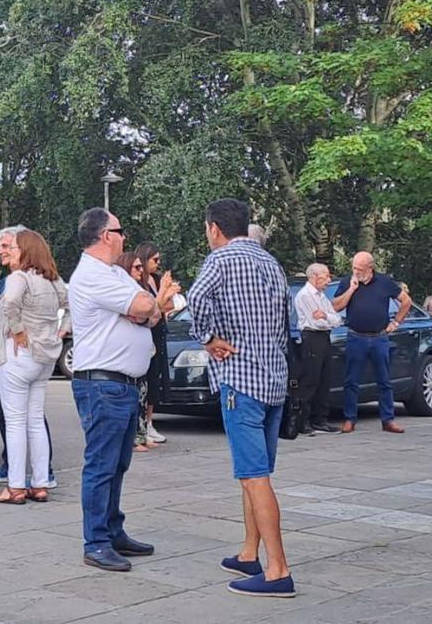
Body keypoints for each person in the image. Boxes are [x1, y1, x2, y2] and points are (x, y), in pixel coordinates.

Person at [187, 198, 296, 598]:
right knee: (257, 473)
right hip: (274, 380)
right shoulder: (270, 262)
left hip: (242, 380)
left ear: (214, 228)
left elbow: (196, 298)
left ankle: (278, 570)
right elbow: (288, 320)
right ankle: (250, 553)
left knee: (253, 476)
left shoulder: (220, 260)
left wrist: (208, 337)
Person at [67, 207, 158, 572]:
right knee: (102, 465)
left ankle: (112, 531)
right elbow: (145, 304)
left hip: (121, 385)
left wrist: (141, 310)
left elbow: (151, 312)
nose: (124, 237)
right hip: (102, 384)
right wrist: (140, 309)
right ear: (106, 235)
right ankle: (96, 542)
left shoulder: (114, 273)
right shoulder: (92, 274)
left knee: (118, 464)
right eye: (120, 231)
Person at [0, 230, 68, 505]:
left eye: (15, 247)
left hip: (18, 355)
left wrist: (18, 329)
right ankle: (40, 484)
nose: (10, 251)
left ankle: (15, 487)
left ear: (26, 250)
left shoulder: (18, 278)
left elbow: (10, 303)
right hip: (45, 357)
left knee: (15, 422)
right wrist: (62, 331)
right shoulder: (53, 280)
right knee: (34, 420)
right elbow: (72, 305)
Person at [332, 252, 412, 434]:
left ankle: (388, 420)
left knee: (384, 380)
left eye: (359, 269)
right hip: (356, 336)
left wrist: (396, 322)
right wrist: (351, 289)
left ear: (370, 268)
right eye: (354, 268)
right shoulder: (347, 281)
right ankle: (349, 419)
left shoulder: (384, 282)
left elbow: (406, 301)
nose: (356, 271)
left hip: (379, 337)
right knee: (351, 380)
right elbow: (336, 306)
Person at [135, 242, 182, 446]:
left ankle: (150, 422)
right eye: (154, 259)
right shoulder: (139, 283)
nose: (158, 263)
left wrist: (164, 295)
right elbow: (151, 308)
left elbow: (167, 306)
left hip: (159, 330)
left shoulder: (155, 279)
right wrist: (163, 293)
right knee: (146, 378)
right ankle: (141, 425)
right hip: (147, 331)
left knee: (156, 378)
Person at [116, 252, 159, 453]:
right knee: (134, 398)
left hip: (142, 356)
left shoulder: (141, 289)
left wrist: (150, 313)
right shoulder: (124, 292)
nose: (141, 271)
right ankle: (134, 437)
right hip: (126, 358)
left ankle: (141, 433)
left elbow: (155, 314)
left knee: (143, 395)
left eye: (141, 267)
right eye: (136, 267)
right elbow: (140, 315)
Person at [294, 263, 343, 436]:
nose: (329, 280)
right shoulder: (305, 295)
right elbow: (316, 321)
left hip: (324, 338)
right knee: (310, 380)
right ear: (314, 276)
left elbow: (337, 320)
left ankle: (320, 419)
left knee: (324, 379)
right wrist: (327, 318)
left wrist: (326, 316)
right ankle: (303, 421)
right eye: (326, 276)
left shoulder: (322, 297)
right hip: (311, 337)